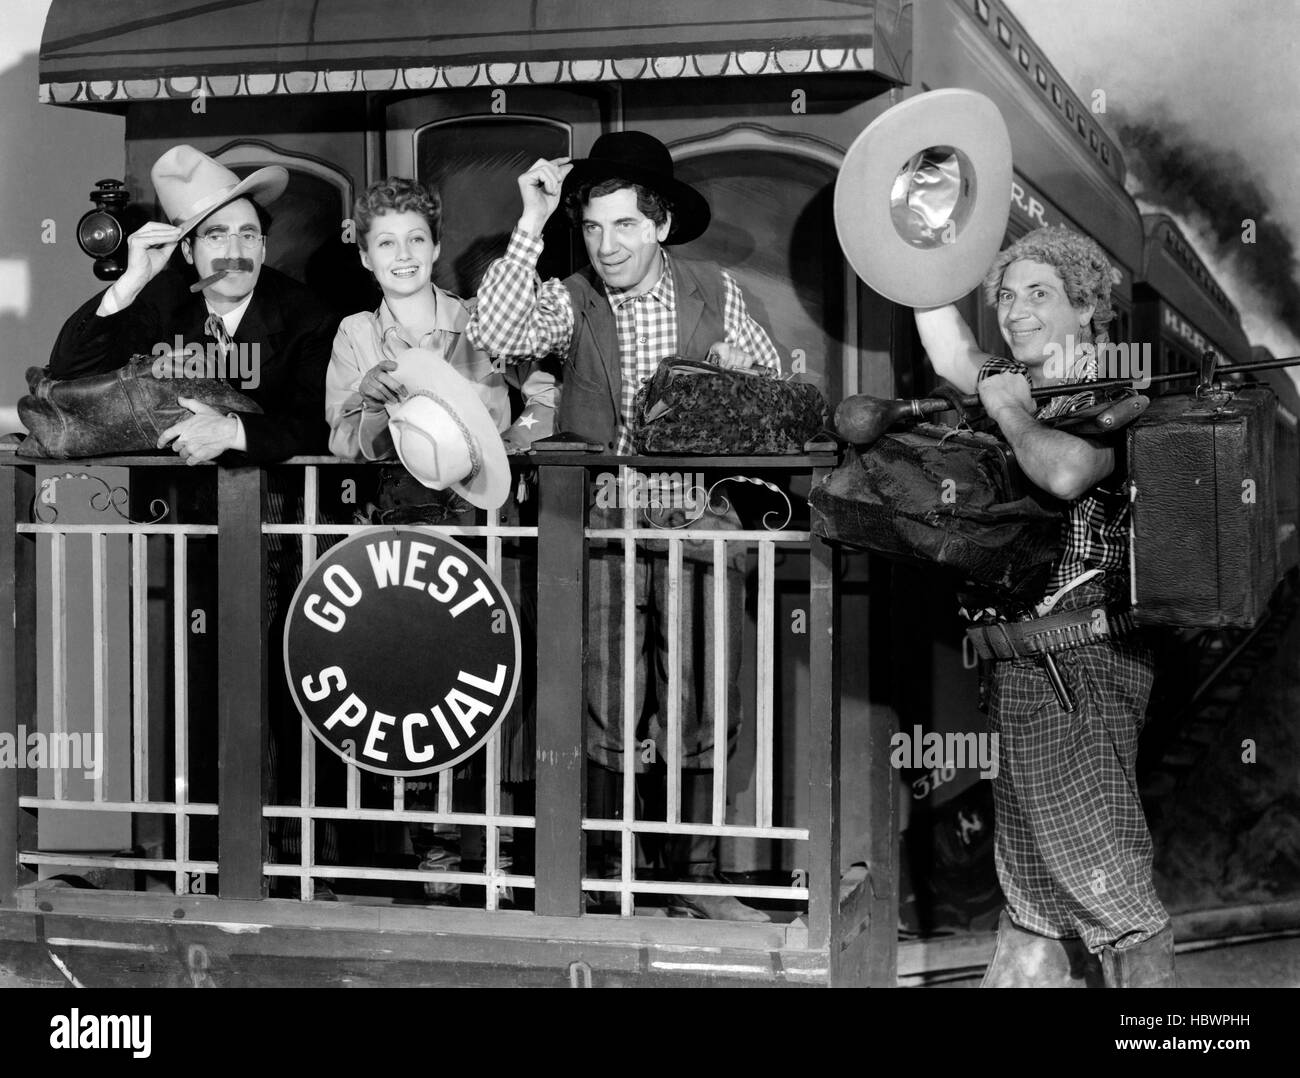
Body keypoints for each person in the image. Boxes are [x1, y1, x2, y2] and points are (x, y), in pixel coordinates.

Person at [468, 130, 782, 921]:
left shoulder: (717, 292)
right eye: (596, 227)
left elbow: (776, 400)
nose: (607, 246)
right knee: (607, 698)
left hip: (699, 522)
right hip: (602, 524)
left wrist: (744, 387)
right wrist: (533, 221)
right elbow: (493, 337)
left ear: (662, 225)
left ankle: (694, 876)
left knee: (702, 701)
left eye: (626, 227)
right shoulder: (571, 297)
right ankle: (611, 870)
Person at [914, 225, 1175, 987]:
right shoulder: (1016, 377)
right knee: (1034, 897)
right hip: (1028, 676)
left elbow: (1065, 472)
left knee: (1112, 893)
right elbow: (948, 350)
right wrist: (921, 244)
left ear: (1087, 307)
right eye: (1007, 295)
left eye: (1040, 294)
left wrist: (1008, 413)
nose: (1017, 311)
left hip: (1082, 674)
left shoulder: (1114, 395)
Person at [325, 176, 554, 902]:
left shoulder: (484, 319)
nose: (403, 255)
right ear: (364, 255)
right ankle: (436, 851)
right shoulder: (357, 334)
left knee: (496, 684)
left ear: (437, 246)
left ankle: (500, 846)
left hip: (489, 525)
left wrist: (522, 435)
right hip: (402, 525)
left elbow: (544, 387)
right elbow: (340, 439)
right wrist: (375, 403)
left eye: (416, 240)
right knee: (422, 686)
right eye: (385, 242)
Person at [48, 143, 338, 464]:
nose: (235, 253)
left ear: (263, 248)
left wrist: (233, 432)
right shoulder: (161, 300)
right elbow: (70, 372)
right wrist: (130, 283)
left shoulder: (309, 315)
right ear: (187, 251)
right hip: (167, 502)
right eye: (216, 236)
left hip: (278, 498)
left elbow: (323, 426)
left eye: (248, 235)